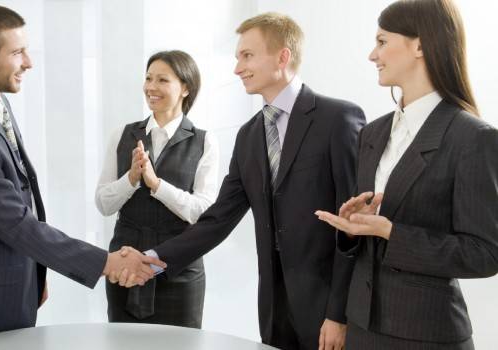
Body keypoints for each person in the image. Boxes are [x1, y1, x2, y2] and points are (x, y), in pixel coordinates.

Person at [0, 4, 165, 343]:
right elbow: (12, 221)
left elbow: (17, 201)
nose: (29, 62)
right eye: (17, 52)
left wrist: (34, 273)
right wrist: (106, 262)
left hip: (6, 283)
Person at [144, 12, 366, 350]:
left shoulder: (338, 119)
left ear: (283, 56)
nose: (237, 68)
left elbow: (355, 227)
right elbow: (218, 219)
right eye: (237, 58)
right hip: (275, 310)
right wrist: (153, 259)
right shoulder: (248, 136)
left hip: (327, 311)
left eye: (247, 56)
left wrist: (340, 314)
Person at [314, 0, 498, 348]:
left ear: (420, 45)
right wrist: (355, 229)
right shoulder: (373, 133)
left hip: (426, 336)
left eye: (382, 41)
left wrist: (391, 232)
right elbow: (366, 240)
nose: (372, 54)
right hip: (362, 329)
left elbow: (484, 254)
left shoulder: (473, 137)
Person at [96, 50, 218, 328]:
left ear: (186, 87)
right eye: (149, 78)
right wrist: (131, 178)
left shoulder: (205, 142)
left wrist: (156, 184)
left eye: (162, 80)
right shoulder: (122, 134)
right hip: (125, 268)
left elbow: (202, 212)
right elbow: (103, 204)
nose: (151, 87)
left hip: (179, 271)